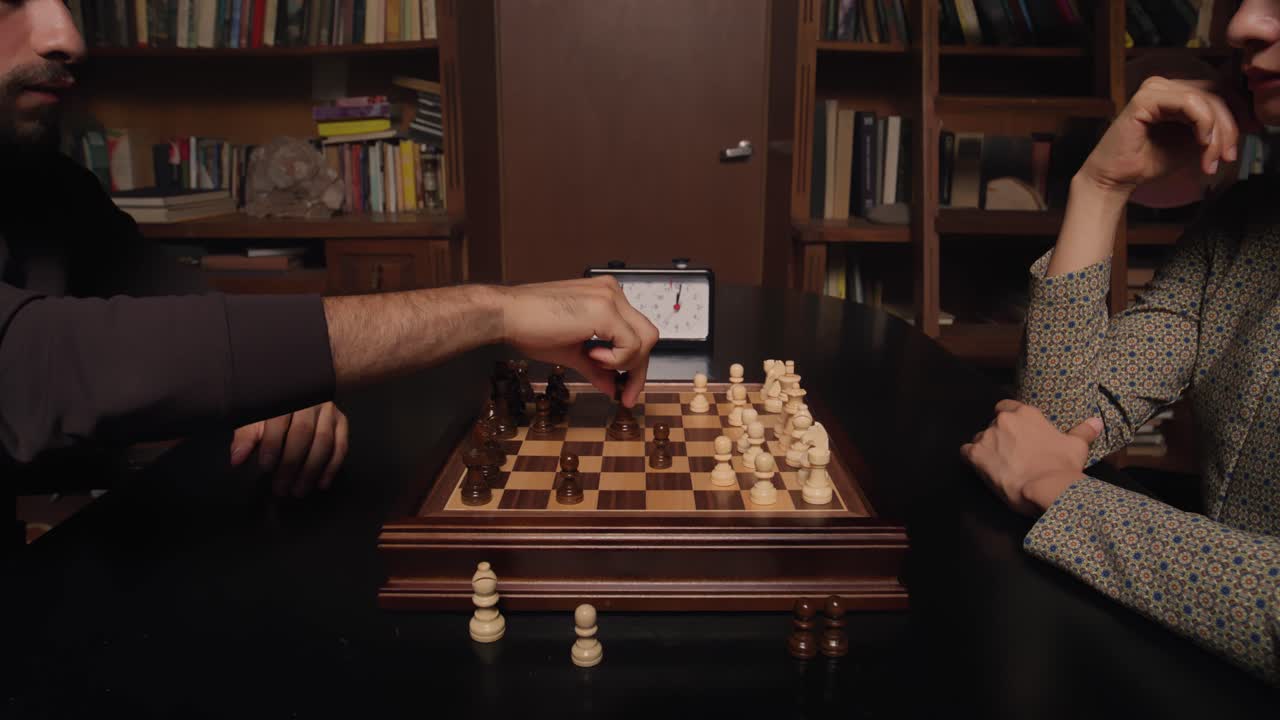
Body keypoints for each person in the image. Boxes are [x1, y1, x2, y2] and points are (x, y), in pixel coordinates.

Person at [0, 1, 659, 498]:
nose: (66, 36)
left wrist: (268, 374)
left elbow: (174, 309)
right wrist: (492, 309)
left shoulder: (46, 185)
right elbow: (42, 369)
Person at [961, 0, 1280, 687]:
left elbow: (1042, 471)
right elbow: (1050, 422)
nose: (1241, 26)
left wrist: (1065, 493)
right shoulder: (1247, 224)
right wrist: (1101, 189)